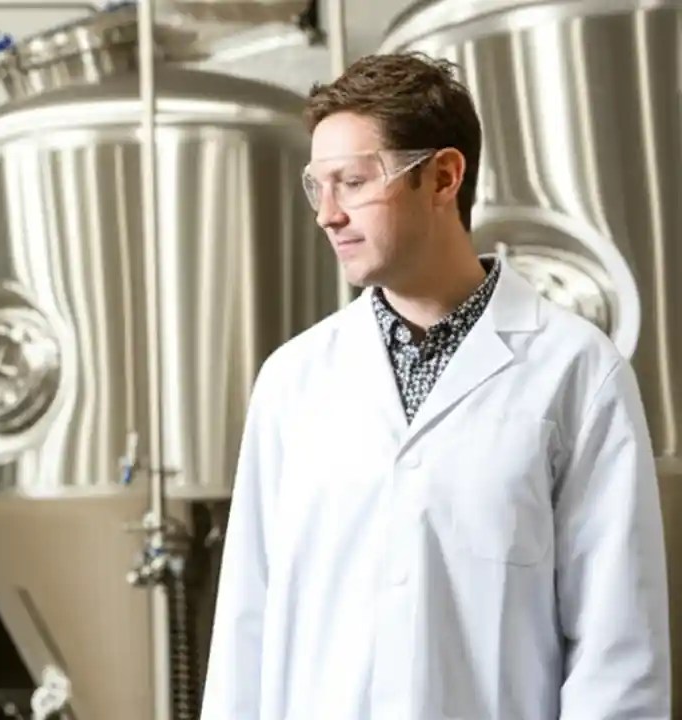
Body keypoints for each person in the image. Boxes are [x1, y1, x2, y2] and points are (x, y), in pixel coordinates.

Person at [200, 52, 671, 719]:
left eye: (352, 182)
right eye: (317, 187)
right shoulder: (292, 381)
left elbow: (617, 649)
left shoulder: (575, 371)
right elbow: (244, 630)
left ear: (444, 176)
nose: (327, 215)